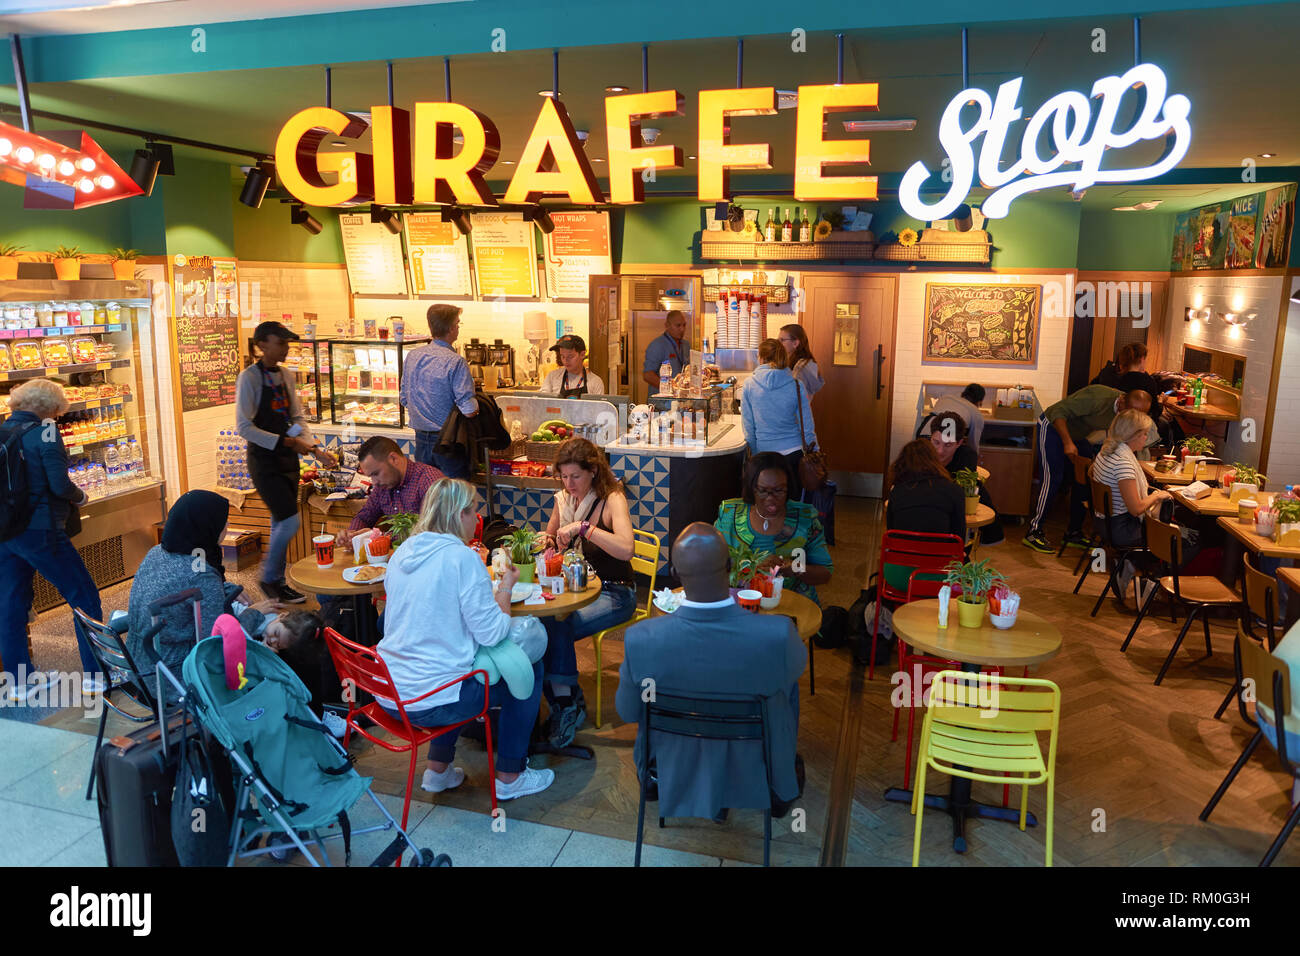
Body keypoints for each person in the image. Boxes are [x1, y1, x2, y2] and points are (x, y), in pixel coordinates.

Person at [376, 478, 553, 801]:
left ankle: (438, 769)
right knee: (527, 667)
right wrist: (505, 587)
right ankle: (511, 776)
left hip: (389, 693)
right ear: (458, 515)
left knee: (453, 667)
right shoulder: (462, 558)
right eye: (474, 513)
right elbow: (493, 632)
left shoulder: (403, 553)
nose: (477, 520)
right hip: (432, 703)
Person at [615, 522, 805, 822]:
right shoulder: (778, 635)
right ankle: (781, 780)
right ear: (730, 568)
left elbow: (627, 712)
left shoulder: (641, 638)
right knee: (784, 686)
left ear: (676, 574)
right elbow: (794, 671)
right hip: (756, 769)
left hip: (666, 771)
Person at [0, 379, 105, 698]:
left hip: (6, 532)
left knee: (10, 604)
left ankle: (18, 682)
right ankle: (96, 676)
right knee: (83, 596)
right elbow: (59, 485)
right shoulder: (45, 432)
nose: (58, 417)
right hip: (41, 529)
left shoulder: (3, 430)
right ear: (48, 407)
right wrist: (82, 496)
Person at [128, 490, 282, 692]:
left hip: (138, 665)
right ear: (207, 527)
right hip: (173, 676)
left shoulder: (157, 552)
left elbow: (181, 585)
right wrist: (254, 613)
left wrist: (221, 588)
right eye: (223, 522)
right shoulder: (202, 577)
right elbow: (216, 642)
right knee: (274, 638)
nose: (227, 527)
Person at [536, 437, 636, 748]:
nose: (569, 484)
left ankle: (565, 706)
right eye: (563, 477)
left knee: (555, 627)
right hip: (575, 590)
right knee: (539, 627)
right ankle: (569, 700)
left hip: (615, 592)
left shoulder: (612, 499)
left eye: (575, 476)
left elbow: (627, 549)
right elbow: (551, 537)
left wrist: (584, 528)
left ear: (592, 470)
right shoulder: (563, 498)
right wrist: (545, 539)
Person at [237, 320, 337, 604]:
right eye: (280, 343)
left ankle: (278, 582)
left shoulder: (285, 375)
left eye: (287, 343)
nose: (286, 348)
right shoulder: (249, 378)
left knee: (278, 520)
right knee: (290, 521)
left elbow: (295, 419)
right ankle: (269, 579)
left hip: (289, 459)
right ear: (262, 344)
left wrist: (314, 447)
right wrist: (288, 442)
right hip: (264, 460)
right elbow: (245, 428)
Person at [1022, 386, 1153, 554]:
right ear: (1120, 401)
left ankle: (1073, 532)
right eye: (1132, 413)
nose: (1135, 419)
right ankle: (1033, 531)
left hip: (1077, 434)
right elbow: (1058, 413)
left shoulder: (1127, 412)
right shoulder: (1097, 398)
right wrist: (1067, 442)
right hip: (1053, 427)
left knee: (1083, 479)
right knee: (1053, 478)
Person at [715, 452, 833, 606]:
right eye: (763, 491)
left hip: (790, 607)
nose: (771, 498)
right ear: (752, 488)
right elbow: (711, 566)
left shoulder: (805, 518)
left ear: (788, 487)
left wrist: (795, 568)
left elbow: (825, 573)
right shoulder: (729, 513)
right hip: (739, 607)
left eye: (779, 490)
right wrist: (750, 569)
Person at [1092, 410, 1175, 604]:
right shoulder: (1124, 464)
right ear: (1134, 435)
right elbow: (1136, 509)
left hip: (1105, 523)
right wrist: (1156, 495)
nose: (1147, 438)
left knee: (1177, 532)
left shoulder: (1106, 452)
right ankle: (1153, 586)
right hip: (1122, 529)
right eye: (1145, 433)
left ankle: (1133, 568)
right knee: (1181, 541)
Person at [400, 303, 478, 479]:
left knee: (429, 498)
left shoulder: (413, 356)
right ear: (451, 328)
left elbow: (404, 398)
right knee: (454, 500)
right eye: (458, 323)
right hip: (449, 444)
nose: (458, 327)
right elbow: (469, 409)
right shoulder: (455, 361)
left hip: (420, 441)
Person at [741, 339, 818, 502]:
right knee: (792, 506)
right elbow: (807, 425)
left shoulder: (749, 385)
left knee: (767, 506)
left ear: (760, 357)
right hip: (794, 454)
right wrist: (815, 451)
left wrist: (755, 456)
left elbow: (749, 428)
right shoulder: (797, 385)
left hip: (765, 455)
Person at [334, 436, 442, 548]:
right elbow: (364, 516)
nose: (374, 482)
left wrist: (378, 536)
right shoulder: (382, 486)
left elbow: (431, 533)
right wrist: (352, 535)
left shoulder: (429, 482)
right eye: (370, 476)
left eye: (375, 473)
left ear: (394, 459)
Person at [927, 410, 1003, 545]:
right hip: (928, 509)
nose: (940, 451)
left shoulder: (967, 456)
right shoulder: (921, 452)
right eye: (936, 442)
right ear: (930, 437)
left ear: (959, 443)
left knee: (977, 489)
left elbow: (962, 494)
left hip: (954, 510)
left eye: (948, 445)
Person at [885, 439, 966, 539]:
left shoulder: (897, 491)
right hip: (940, 553)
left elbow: (891, 531)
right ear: (935, 460)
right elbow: (959, 535)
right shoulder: (954, 490)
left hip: (903, 553)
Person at [919, 383, 985, 452]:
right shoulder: (976, 412)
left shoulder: (945, 397)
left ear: (963, 393)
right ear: (979, 402)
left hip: (923, 433)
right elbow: (973, 443)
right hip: (943, 441)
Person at [540, 334, 605, 397]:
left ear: (582, 354)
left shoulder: (595, 382)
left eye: (570, 356)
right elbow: (542, 403)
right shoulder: (552, 377)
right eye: (562, 356)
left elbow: (598, 407)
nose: (565, 361)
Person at [642, 309, 690, 392]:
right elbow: (648, 375)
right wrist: (669, 389)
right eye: (678, 325)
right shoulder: (657, 345)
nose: (682, 329)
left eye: (684, 325)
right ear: (667, 325)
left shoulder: (686, 345)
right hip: (663, 401)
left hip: (681, 397)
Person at [778, 323, 824, 395]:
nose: (778, 344)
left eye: (782, 340)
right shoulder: (788, 361)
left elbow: (793, 394)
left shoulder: (803, 366)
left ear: (795, 343)